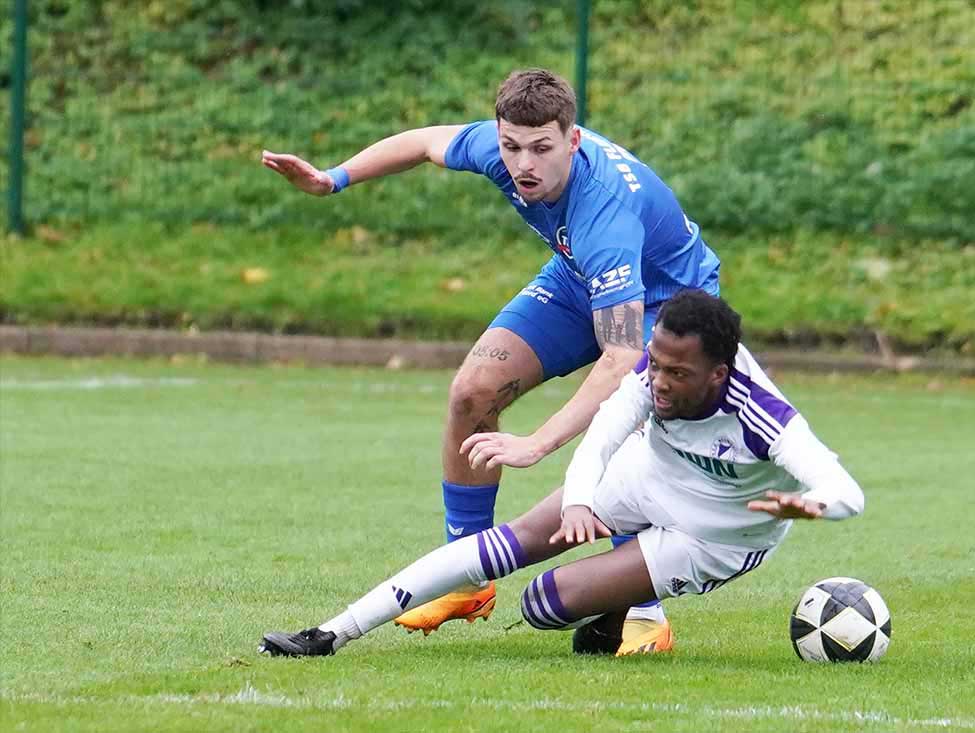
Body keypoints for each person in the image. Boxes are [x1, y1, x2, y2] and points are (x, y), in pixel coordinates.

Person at [261, 68, 721, 652]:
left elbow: (620, 356)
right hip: (578, 278)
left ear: (573, 140)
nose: (523, 164)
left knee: (630, 440)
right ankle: (464, 577)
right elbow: (423, 142)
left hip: (667, 305)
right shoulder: (505, 149)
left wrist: (539, 443)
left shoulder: (606, 214)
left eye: (541, 149)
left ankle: (644, 612)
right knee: (472, 391)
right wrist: (333, 179)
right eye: (511, 146)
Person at [259, 291, 865, 658]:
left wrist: (812, 506)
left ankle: (617, 611)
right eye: (656, 364)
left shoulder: (763, 415)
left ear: (718, 374)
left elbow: (847, 493)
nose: (658, 381)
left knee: (543, 605)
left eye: (677, 374)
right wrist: (578, 502)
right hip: (646, 475)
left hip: (714, 537)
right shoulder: (653, 373)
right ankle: (331, 633)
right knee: (509, 543)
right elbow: (602, 437)